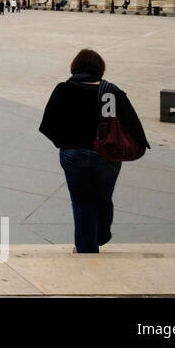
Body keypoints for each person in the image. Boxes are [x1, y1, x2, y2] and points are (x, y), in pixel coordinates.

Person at [39, 49, 149, 254]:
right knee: (104, 196)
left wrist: (64, 142)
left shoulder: (64, 89)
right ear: (100, 69)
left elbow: (47, 124)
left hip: (73, 154)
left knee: (81, 201)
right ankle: (100, 235)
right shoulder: (112, 92)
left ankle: (87, 248)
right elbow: (132, 124)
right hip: (107, 155)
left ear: (75, 67)